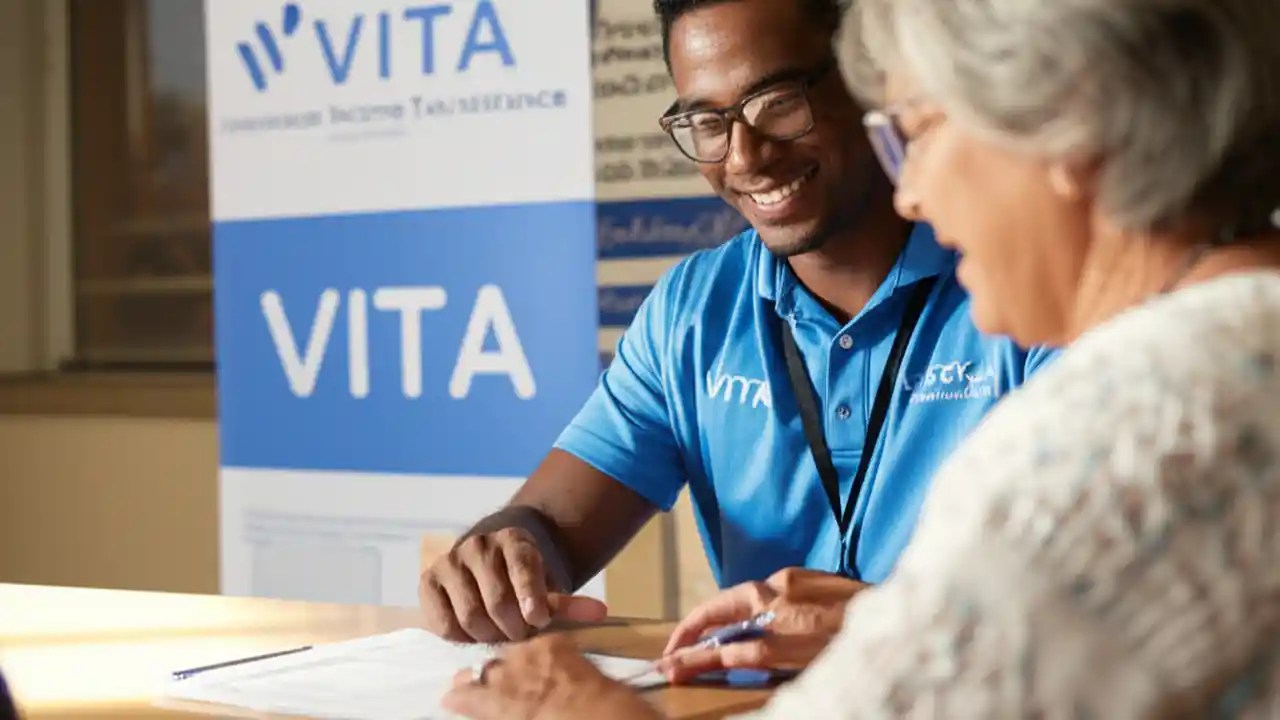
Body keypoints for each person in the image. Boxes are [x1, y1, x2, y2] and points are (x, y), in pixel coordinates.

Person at [438, 0, 1280, 715]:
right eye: (706, 121)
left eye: (916, 128)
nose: (912, 188)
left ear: (1062, 126)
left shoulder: (1124, 415)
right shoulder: (697, 303)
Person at [419, 0, 1053, 659]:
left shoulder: (1021, 284)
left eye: (777, 102)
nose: (745, 155)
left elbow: (1090, 607)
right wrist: (504, 556)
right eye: (706, 121)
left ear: (870, 82)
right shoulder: (693, 310)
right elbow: (551, 522)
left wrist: (881, 630)